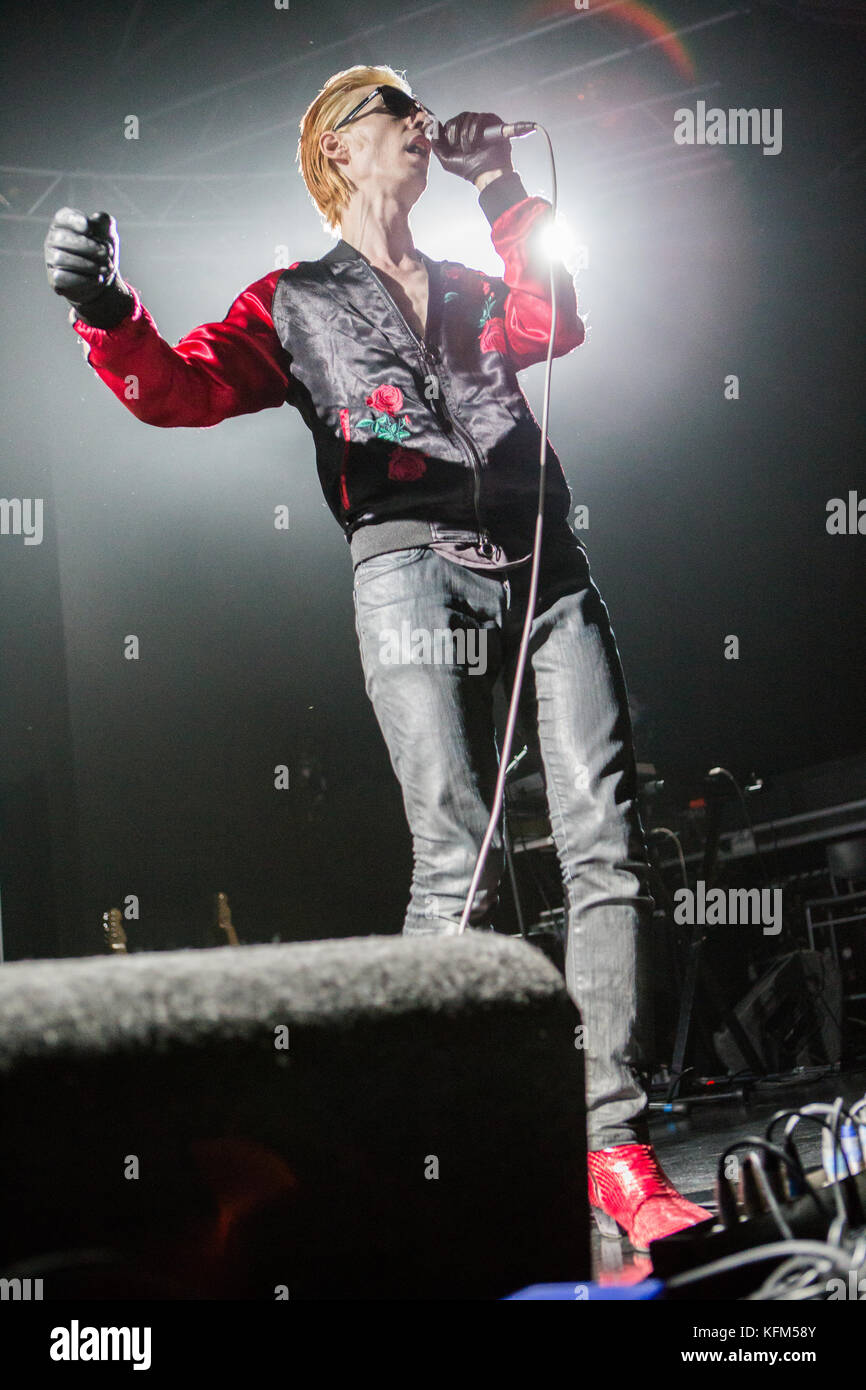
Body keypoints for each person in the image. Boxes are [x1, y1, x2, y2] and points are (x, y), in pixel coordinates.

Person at [44, 62, 711, 1251]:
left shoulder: (469, 281)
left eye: (418, 109)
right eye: (389, 111)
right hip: (408, 568)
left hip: (546, 563)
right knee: (454, 849)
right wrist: (108, 315)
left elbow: (556, 318)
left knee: (604, 837)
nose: (416, 120)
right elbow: (179, 393)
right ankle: (421, 1158)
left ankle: (612, 1145)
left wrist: (501, 181)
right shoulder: (290, 301)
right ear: (337, 154)